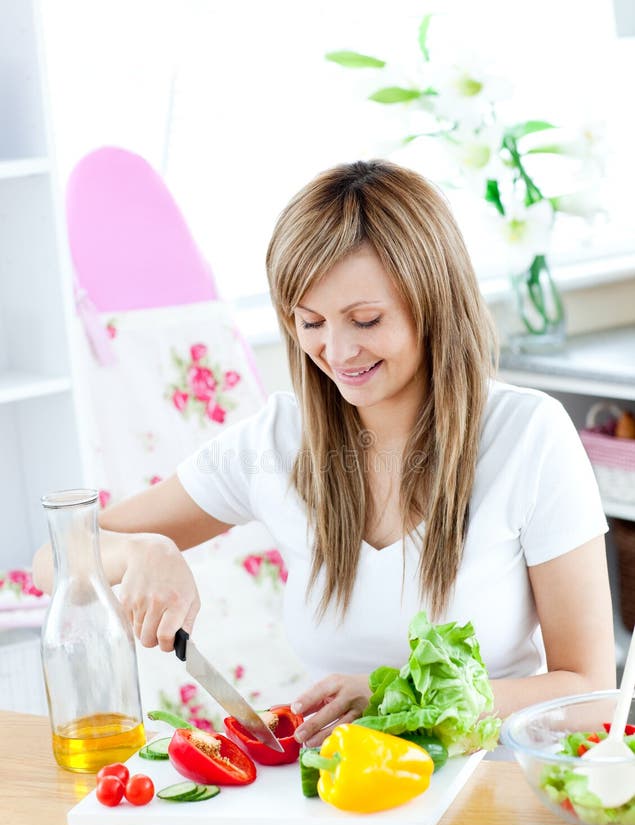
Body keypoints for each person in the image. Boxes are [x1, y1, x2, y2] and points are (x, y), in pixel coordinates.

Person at [33, 159, 616, 748]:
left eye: (365, 320)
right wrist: (144, 550)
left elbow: (591, 693)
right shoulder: (276, 445)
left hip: (490, 787)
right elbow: (51, 560)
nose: (337, 352)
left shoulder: (527, 436)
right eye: (310, 323)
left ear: (432, 300)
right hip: (340, 796)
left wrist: (402, 698)